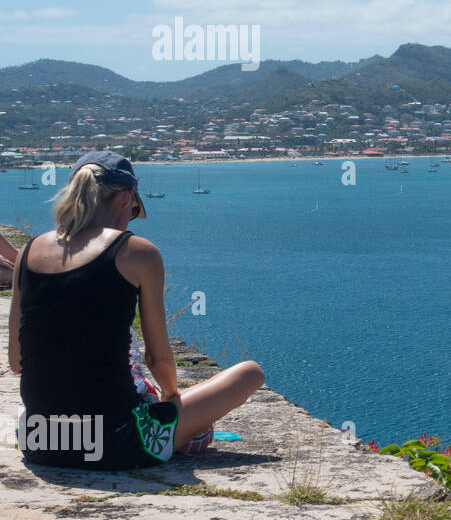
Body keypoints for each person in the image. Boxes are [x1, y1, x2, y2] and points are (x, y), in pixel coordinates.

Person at [7, 151, 264, 469]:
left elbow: (17, 362)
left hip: (41, 441)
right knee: (250, 373)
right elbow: (158, 359)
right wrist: (172, 399)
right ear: (127, 196)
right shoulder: (137, 252)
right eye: (134, 210)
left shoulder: (28, 251)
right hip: (118, 442)